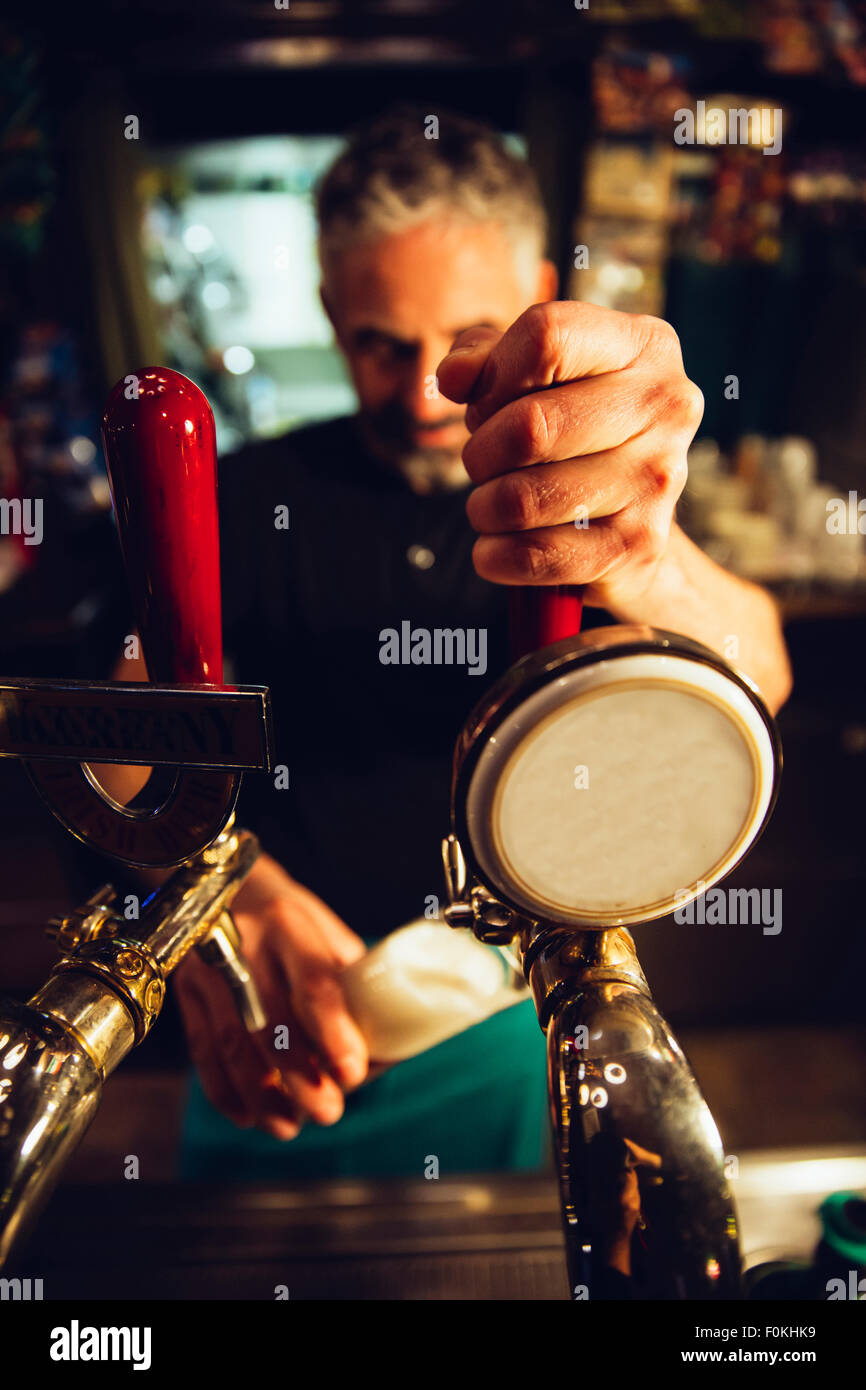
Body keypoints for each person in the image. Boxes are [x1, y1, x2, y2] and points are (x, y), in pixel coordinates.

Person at [116, 108, 792, 1180]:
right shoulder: (243, 500)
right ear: (333, 312)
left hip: (507, 1021)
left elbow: (755, 667)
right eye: (381, 343)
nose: (427, 385)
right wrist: (225, 883)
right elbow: (117, 733)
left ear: (532, 291)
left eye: (465, 336)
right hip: (278, 1018)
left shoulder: (575, 507)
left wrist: (644, 556)